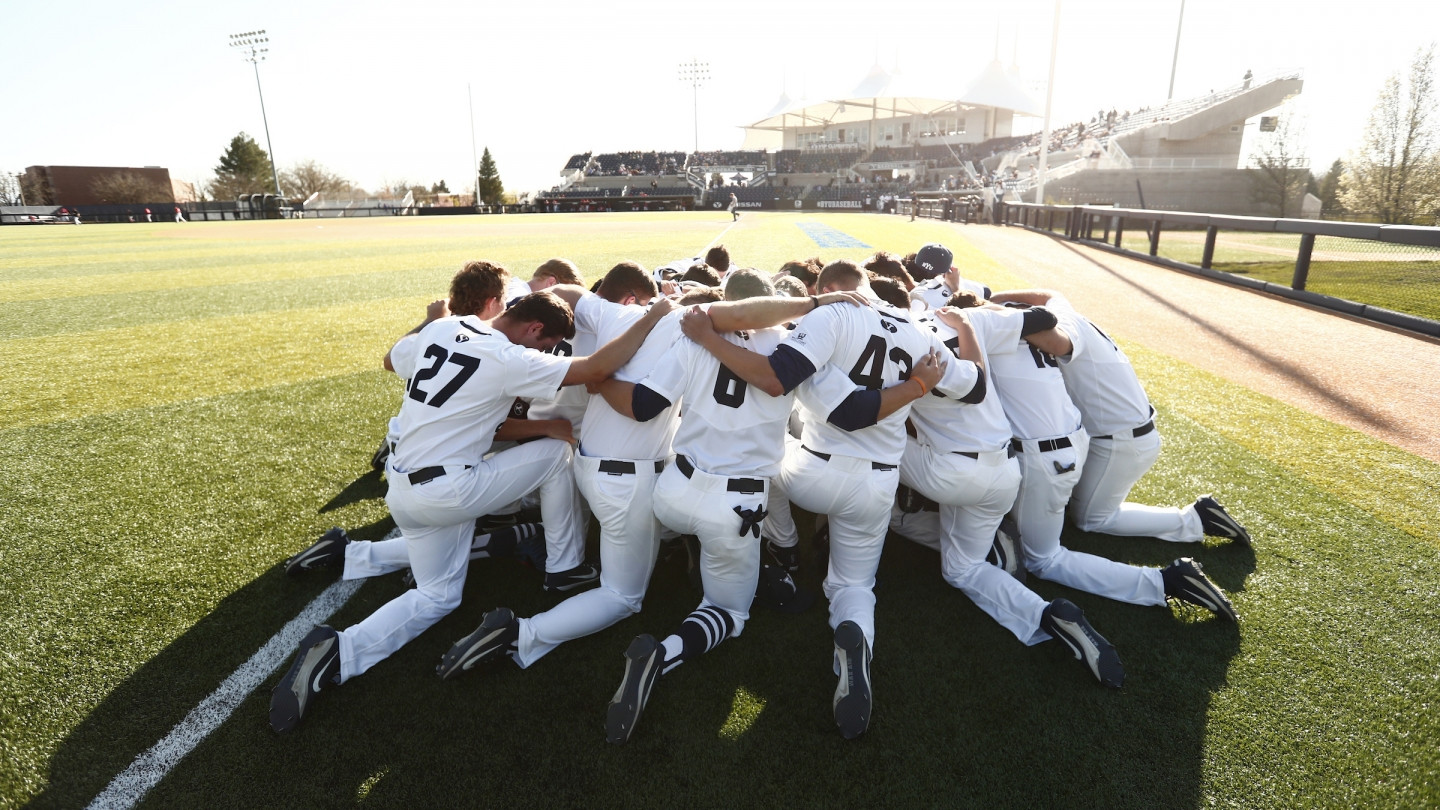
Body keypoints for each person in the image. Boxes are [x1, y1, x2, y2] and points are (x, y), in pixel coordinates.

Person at [268, 265, 674, 734]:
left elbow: (390, 360)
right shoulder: (509, 357)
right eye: (543, 345)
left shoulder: (443, 327)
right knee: (557, 454)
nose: (542, 354)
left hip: (403, 489)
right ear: (535, 328)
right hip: (450, 489)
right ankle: (564, 569)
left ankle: (339, 649)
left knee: (437, 595)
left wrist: (429, 319)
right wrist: (654, 313)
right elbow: (597, 370)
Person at [679, 260, 981, 739]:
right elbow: (976, 386)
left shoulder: (830, 315)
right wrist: (927, 377)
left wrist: (710, 339)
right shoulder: (918, 329)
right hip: (878, 481)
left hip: (814, 472)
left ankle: (783, 545)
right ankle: (856, 639)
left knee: (764, 461)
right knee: (855, 585)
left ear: (826, 289)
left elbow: (817, 396)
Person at [436, 262, 679, 682]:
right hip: (626, 477)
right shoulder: (663, 325)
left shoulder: (600, 311)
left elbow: (569, 292)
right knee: (622, 596)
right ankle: (522, 632)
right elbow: (639, 403)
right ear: (635, 299)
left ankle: (548, 557)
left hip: (580, 464)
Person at [949, 297, 1239, 632]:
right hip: (1086, 441)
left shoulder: (1044, 327)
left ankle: (1163, 580)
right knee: (1062, 509)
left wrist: (981, 313)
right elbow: (1043, 299)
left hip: (1095, 446)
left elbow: (1047, 335)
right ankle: (1190, 524)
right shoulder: (1061, 312)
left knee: (1055, 549)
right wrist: (998, 304)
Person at [987, 290, 1251, 546]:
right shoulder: (1063, 311)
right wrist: (998, 297)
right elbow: (1049, 294)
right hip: (1123, 433)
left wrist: (989, 311)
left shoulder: (1065, 326)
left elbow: (1057, 342)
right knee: (1058, 490)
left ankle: (1194, 519)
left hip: (1118, 444)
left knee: (1092, 519)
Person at [908, 243, 990, 311]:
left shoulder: (911, 284)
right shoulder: (955, 284)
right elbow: (977, 315)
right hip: (979, 297)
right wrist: (956, 288)